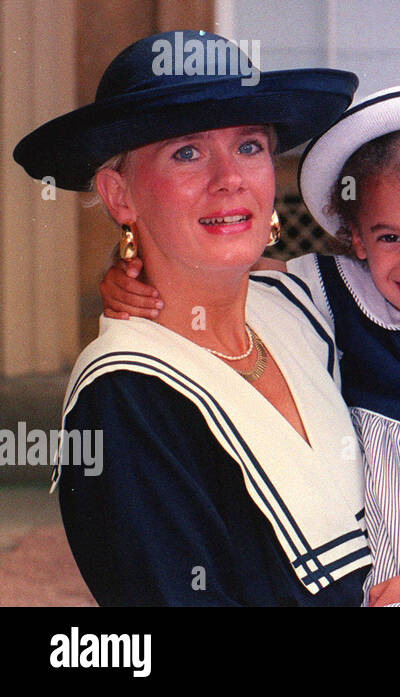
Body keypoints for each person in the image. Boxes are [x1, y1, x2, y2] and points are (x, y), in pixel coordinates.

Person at [106, 85, 400, 606]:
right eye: (388, 238)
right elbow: (219, 265)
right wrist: (122, 270)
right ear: (357, 239)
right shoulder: (343, 294)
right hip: (385, 559)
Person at [12, 30, 369, 605]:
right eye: (187, 152)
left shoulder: (304, 308)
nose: (230, 177)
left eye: (250, 146)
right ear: (119, 196)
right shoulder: (125, 398)